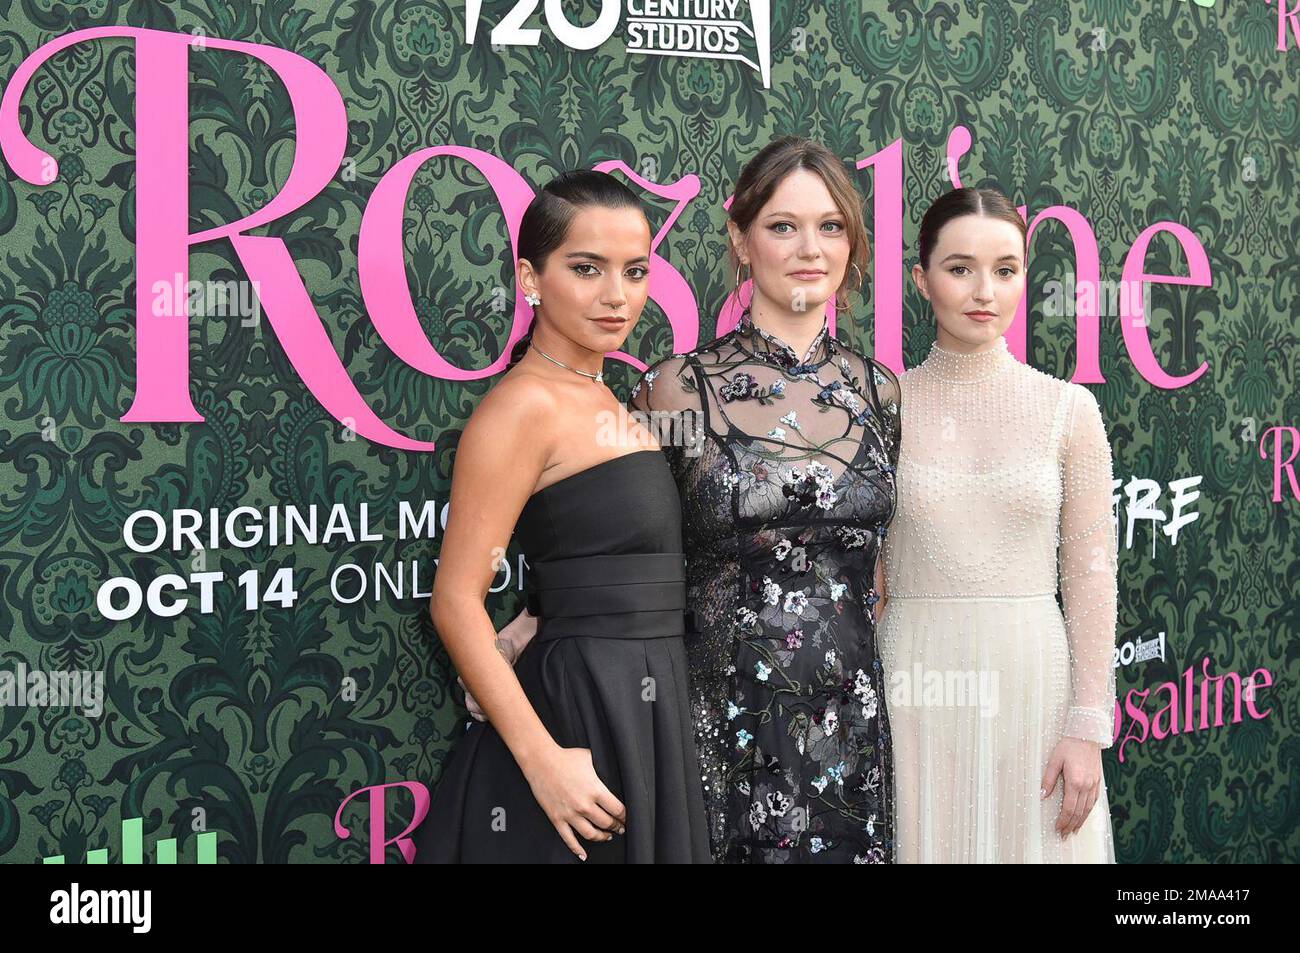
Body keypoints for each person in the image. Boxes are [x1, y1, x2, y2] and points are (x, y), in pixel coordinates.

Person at [412, 170, 711, 863]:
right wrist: (544, 761)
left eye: (634, 271)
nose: (616, 295)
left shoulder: (612, 400)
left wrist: (533, 619)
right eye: (586, 268)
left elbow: (596, 561)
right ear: (530, 277)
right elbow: (455, 601)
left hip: (644, 706)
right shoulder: (523, 407)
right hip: (578, 720)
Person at [629, 136, 900, 863]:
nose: (809, 247)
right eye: (782, 225)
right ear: (741, 242)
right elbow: (631, 541)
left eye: (831, 225)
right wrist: (535, 617)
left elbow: (880, 570)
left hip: (851, 725)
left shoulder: (878, 391)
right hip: (722, 726)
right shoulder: (680, 387)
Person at [878, 185, 1118, 863]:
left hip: (1033, 691)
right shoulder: (883, 408)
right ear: (922, 280)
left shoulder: (1068, 411)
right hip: (915, 684)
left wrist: (1086, 725)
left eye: (1006, 269)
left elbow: (1092, 576)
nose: (985, 290)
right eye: (960, 269)